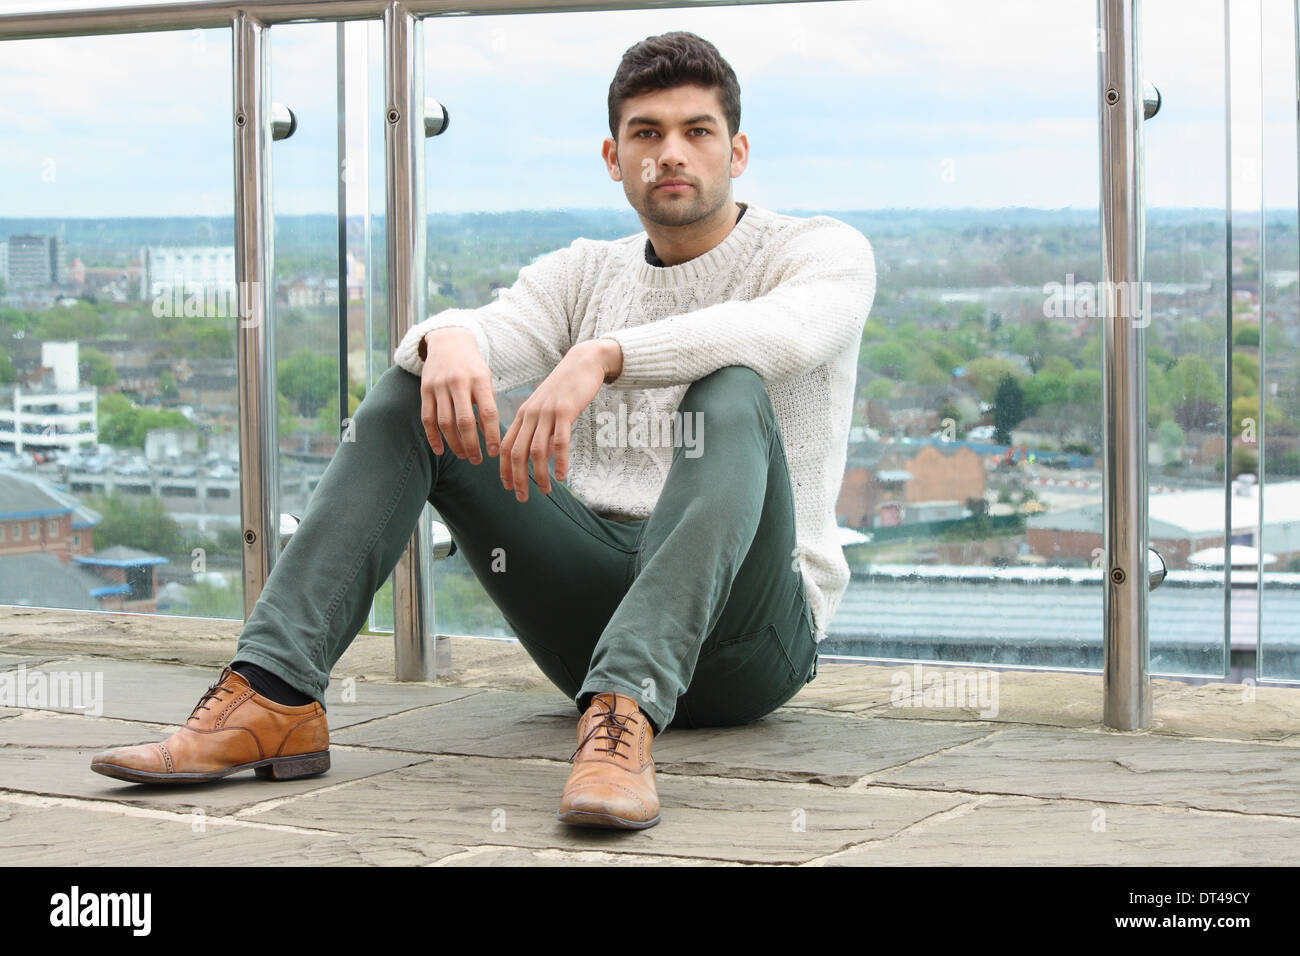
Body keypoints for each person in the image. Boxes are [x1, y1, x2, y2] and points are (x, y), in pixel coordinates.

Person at [90, 30, 876, 831]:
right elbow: (479, 333)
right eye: (647, 133)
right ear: (614, 157)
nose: (670, 154)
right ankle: (274, 693)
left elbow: (781, 333)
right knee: (414, 391)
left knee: (731, 388)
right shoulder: (585, 272)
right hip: (588, 624)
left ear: (736, 151)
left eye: (696, 132)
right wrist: (452, 338)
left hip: (750, 636)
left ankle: (625, 720)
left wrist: (604, 357)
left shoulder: (820, 252)